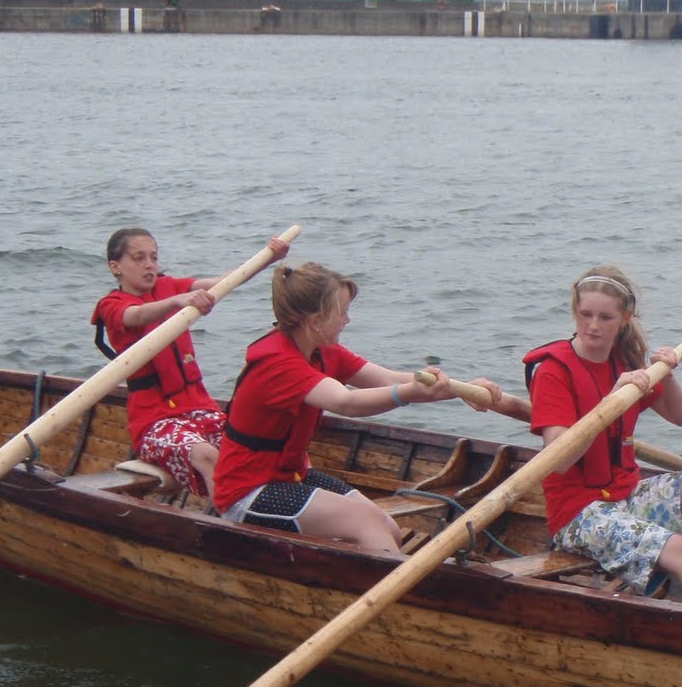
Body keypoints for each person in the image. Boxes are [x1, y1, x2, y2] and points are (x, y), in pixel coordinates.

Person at [212, 261, 498, 550]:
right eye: (343, 312)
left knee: (387, 527)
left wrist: (461, 389)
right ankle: (392, 577)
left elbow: (387, 379)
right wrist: (409, 393)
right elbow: (346, 402)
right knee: (366, 523)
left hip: (291, 476)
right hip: (247, 492)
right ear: (316, 321)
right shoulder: (278, 363)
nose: (348, 320)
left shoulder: (323, 350)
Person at [525, 265, 682, 599]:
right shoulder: (553, 371)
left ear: (625, 318)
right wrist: (610, 403)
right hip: (578, 515)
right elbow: (558, 460)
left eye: (605, 317)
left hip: (627, 496)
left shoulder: (625, 362)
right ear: (574, 312)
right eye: (585, 315)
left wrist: (666, 373)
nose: (593, 326)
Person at [91, 227, 290, 502]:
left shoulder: (170, 286)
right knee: (207, 454)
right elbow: (135, 315)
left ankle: (272, 508)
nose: (149, 265)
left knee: (257, 444)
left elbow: (223, 282)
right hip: (154, 422)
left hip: (200, 410)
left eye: (153, 257)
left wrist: (268, 259)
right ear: (116, 267)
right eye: (139, 258)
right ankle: (231, 517)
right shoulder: (112, 305)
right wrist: (176, 301)